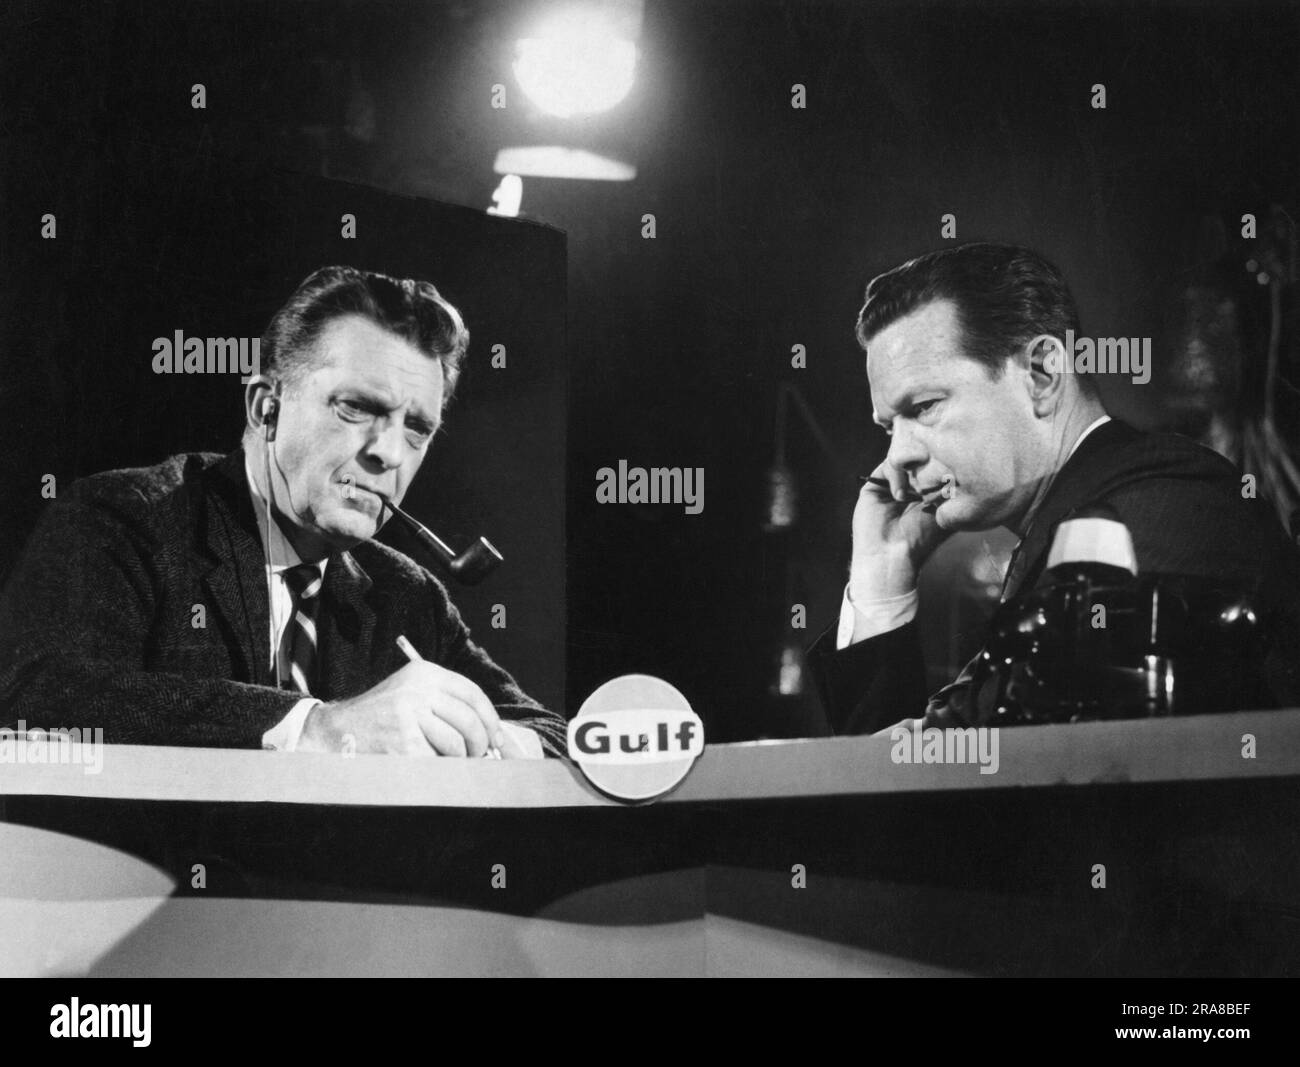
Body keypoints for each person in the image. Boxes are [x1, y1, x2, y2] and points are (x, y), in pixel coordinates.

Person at [0, 266, 566, 757]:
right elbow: (35, 694)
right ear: (266, 408)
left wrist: (499, 746)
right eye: (357, 407)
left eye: (416, 428)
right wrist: (316, 727)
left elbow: (551, 732)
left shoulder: (406, 595)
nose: (388, 453)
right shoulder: (127, 520)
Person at [808, 243, 1300, 734]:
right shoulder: (1085, 517)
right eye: (888, 426)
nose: (897, 456)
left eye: (924, 406)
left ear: (1042, 374)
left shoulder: (1161, 505)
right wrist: (882, 574)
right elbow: (885, 789)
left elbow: (978, 763)